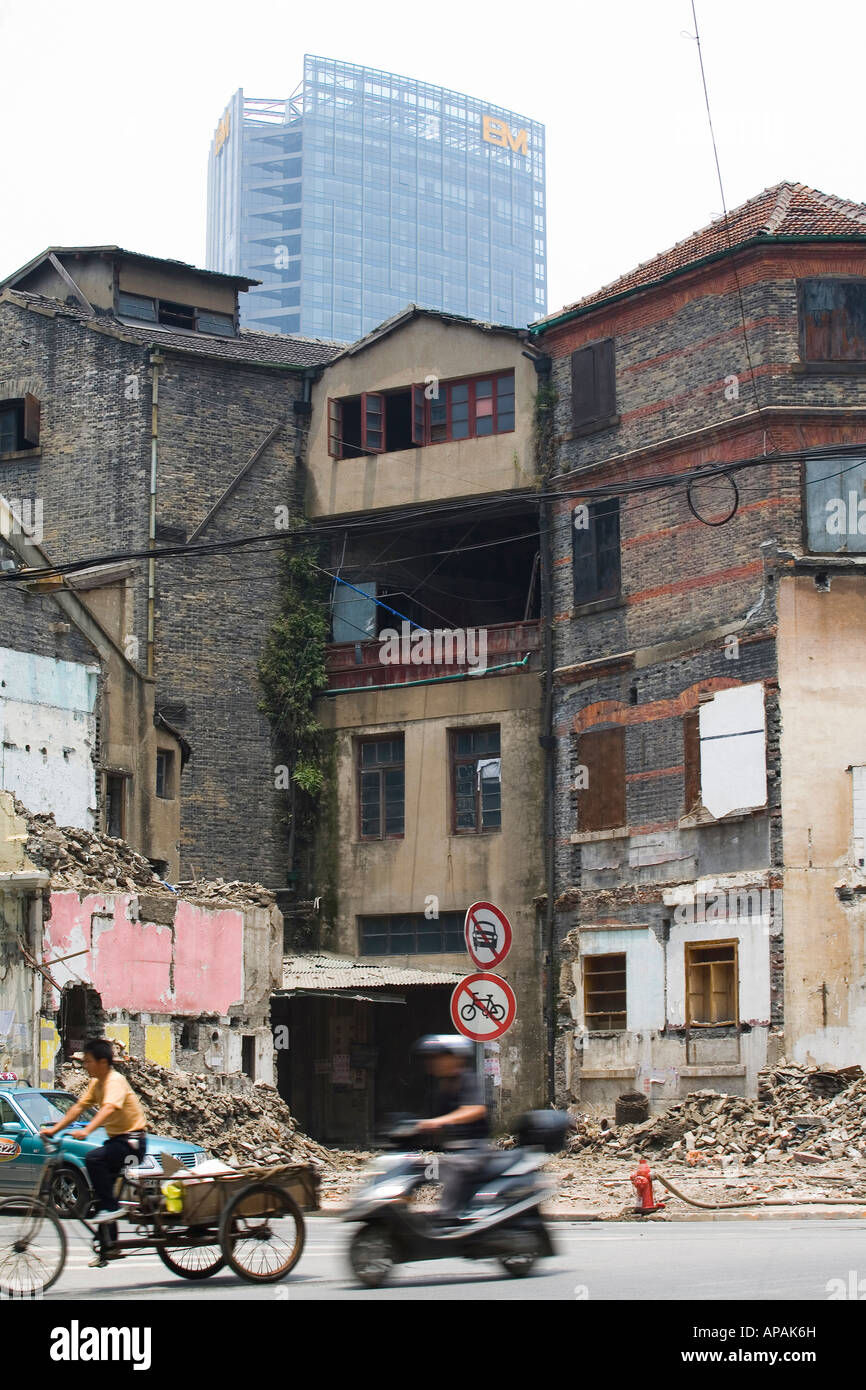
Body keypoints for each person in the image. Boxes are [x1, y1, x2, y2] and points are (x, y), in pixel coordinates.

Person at [40, 1038, 147, 1227]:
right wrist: (54, 1130)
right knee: (101, 1199)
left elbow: (108, 1109)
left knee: (94, 1159)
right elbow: (78, 1108)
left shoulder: (114, 1081)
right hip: (118, 1142)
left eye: (89, 1061)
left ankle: (111, 1209)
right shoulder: (96, 1083)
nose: (85, 1065)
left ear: (103, 1062)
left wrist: (87, 1130)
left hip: (132, 1143)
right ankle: (109, 1248)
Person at [413, 1034, 490, 1223]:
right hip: (454, 1150)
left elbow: (476, 1109)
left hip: (473, 1150)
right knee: (415, 1167)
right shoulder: (442, 1087)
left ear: (455, 1057)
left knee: (456, 1169)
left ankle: (449, 1218)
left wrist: (440, 1121)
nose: (434, 1063)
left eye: (439, 1057)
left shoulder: (468, 1080)